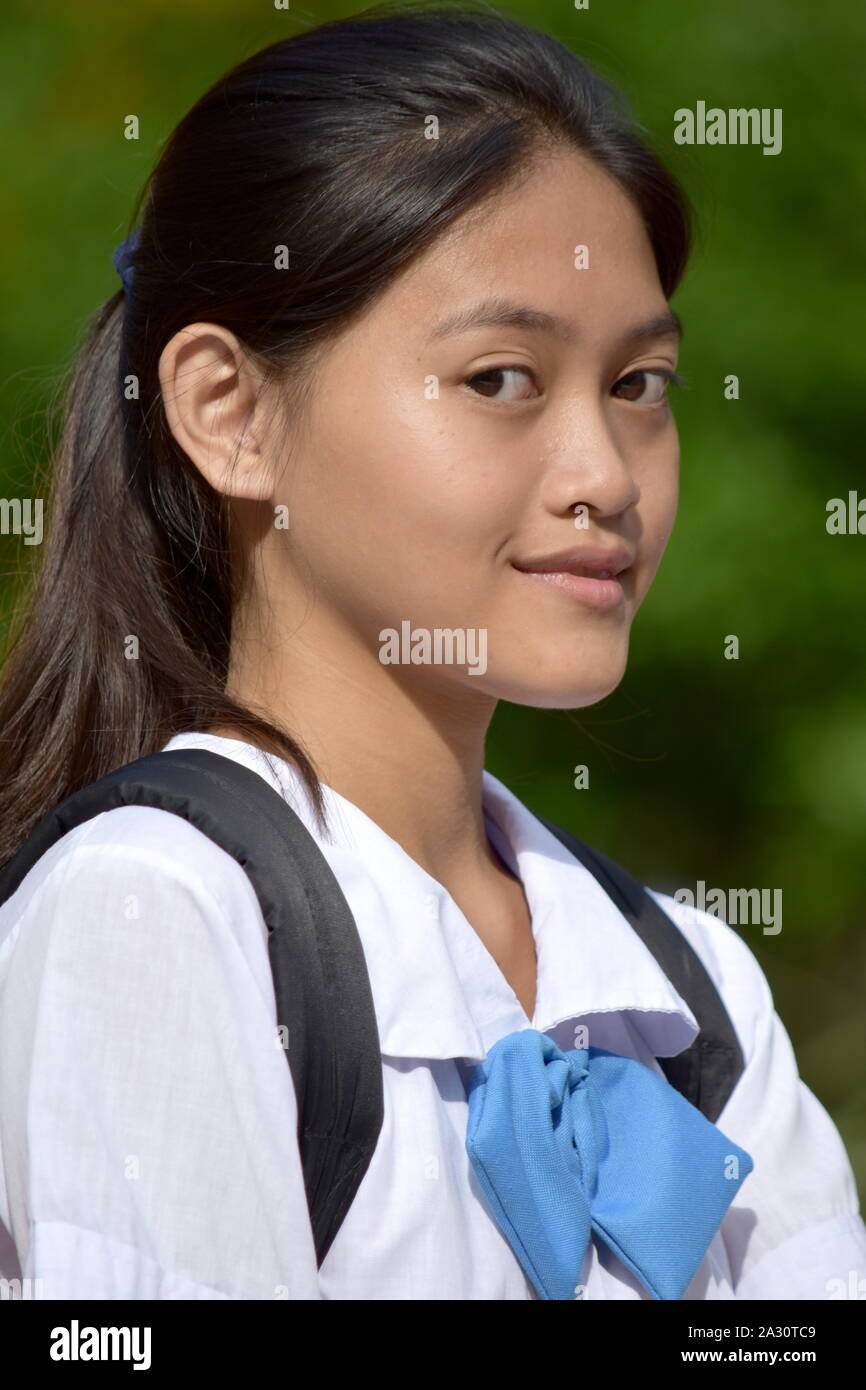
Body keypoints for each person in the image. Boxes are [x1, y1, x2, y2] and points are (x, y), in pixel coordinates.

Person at [0, 3, 863, 1301]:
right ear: (229, 414)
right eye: (499, 378)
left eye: (639, 385)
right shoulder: (162, 912)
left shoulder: (696, 992)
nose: (601, 477)